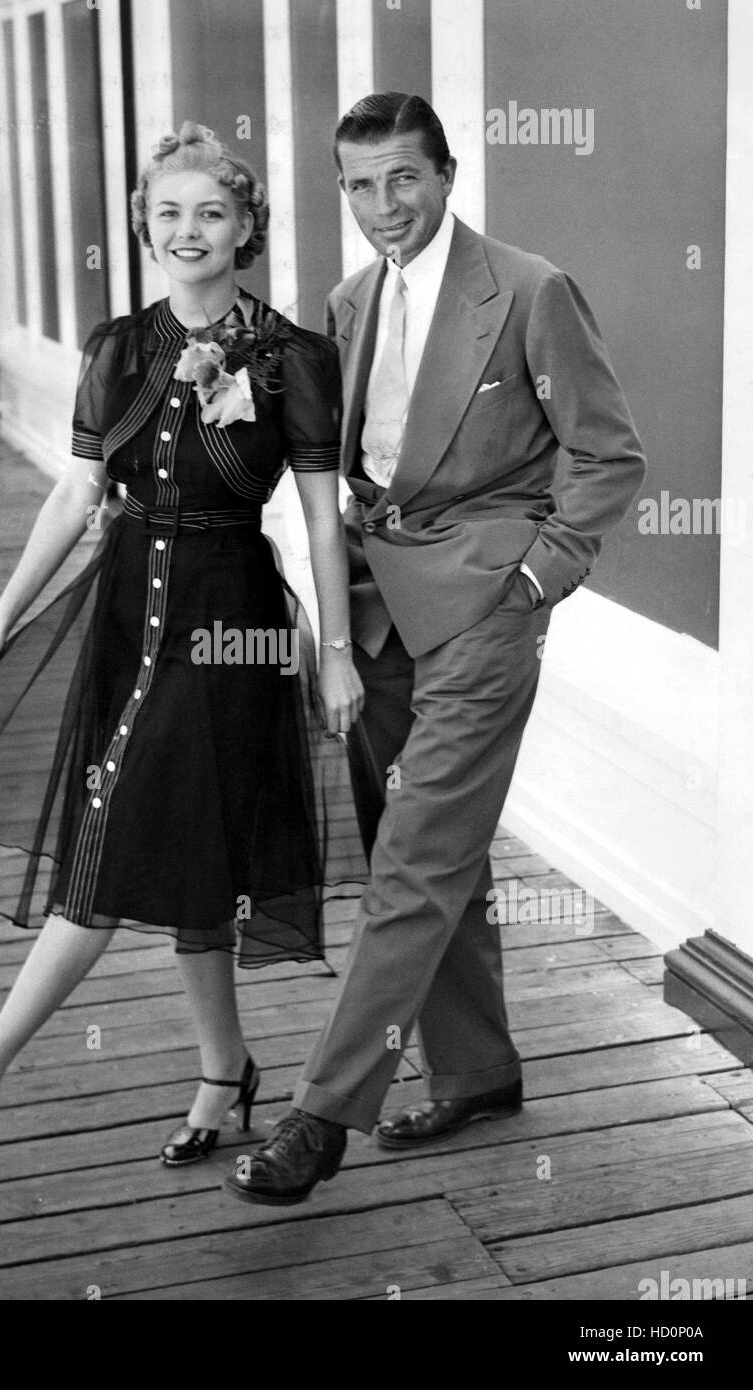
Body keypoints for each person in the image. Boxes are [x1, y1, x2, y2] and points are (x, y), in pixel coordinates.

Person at [0, 121, 363, 1173]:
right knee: (190, 853)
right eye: (167, 212)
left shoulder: (295, 359)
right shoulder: (115, 349)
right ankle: (225, 1070)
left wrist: (334, 654)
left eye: (210, 213)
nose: (187, 230)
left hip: (228, 626)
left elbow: (319, 519)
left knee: (110, 843)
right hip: (123, 610)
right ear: (144, 227)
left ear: (246, 230)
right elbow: (77, 492)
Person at [225, 92, 647, 1206]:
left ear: (447, 175)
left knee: (409, 859)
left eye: (400, 178)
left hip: (480, 611)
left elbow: (606, 456)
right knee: (431, 848)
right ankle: (474, 1069)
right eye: (358, 186)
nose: (381, 207)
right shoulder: (348, 299)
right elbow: (350, 458)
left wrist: (533, 576)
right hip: (374, 608)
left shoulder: (529, 290)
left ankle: (319, 1116)